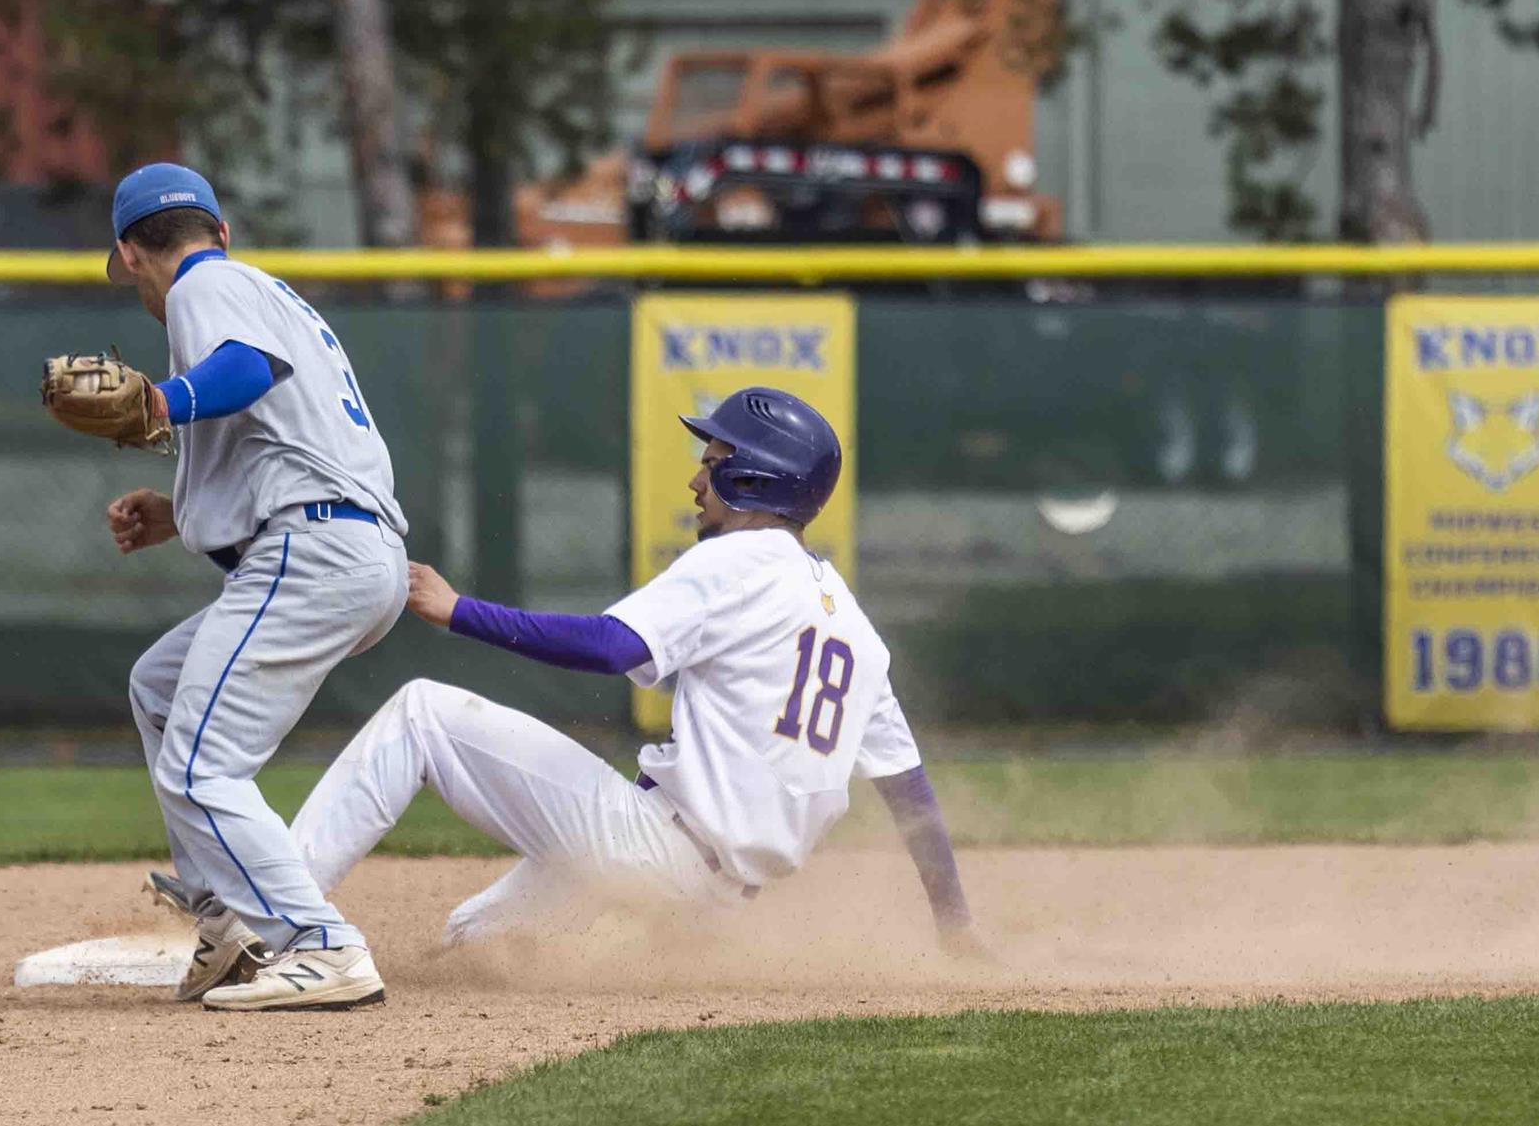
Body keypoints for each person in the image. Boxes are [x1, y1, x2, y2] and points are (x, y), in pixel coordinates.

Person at [195, 386, 977, 1012]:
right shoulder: (856, 632)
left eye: (714, 459)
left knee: (421, 714)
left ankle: (268, 914)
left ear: (753, 476)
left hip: (655, 847)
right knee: (475, 946)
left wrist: (459, 610)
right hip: (718, 897)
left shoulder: (740, 560)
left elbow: (612, 647)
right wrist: (955, 926)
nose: (698, 478)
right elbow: (911, 794)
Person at [101, 162, 408, 1013]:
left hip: (314, 550)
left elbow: (244, 372)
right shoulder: (264, 289)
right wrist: (178, 509)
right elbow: (274, 430)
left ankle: (320, 942)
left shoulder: (205, 286)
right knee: (159, 688)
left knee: (202, 764)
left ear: (130, 255)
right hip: (350, 547)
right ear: (222, 224)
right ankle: (227, 921)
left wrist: (160, 401)